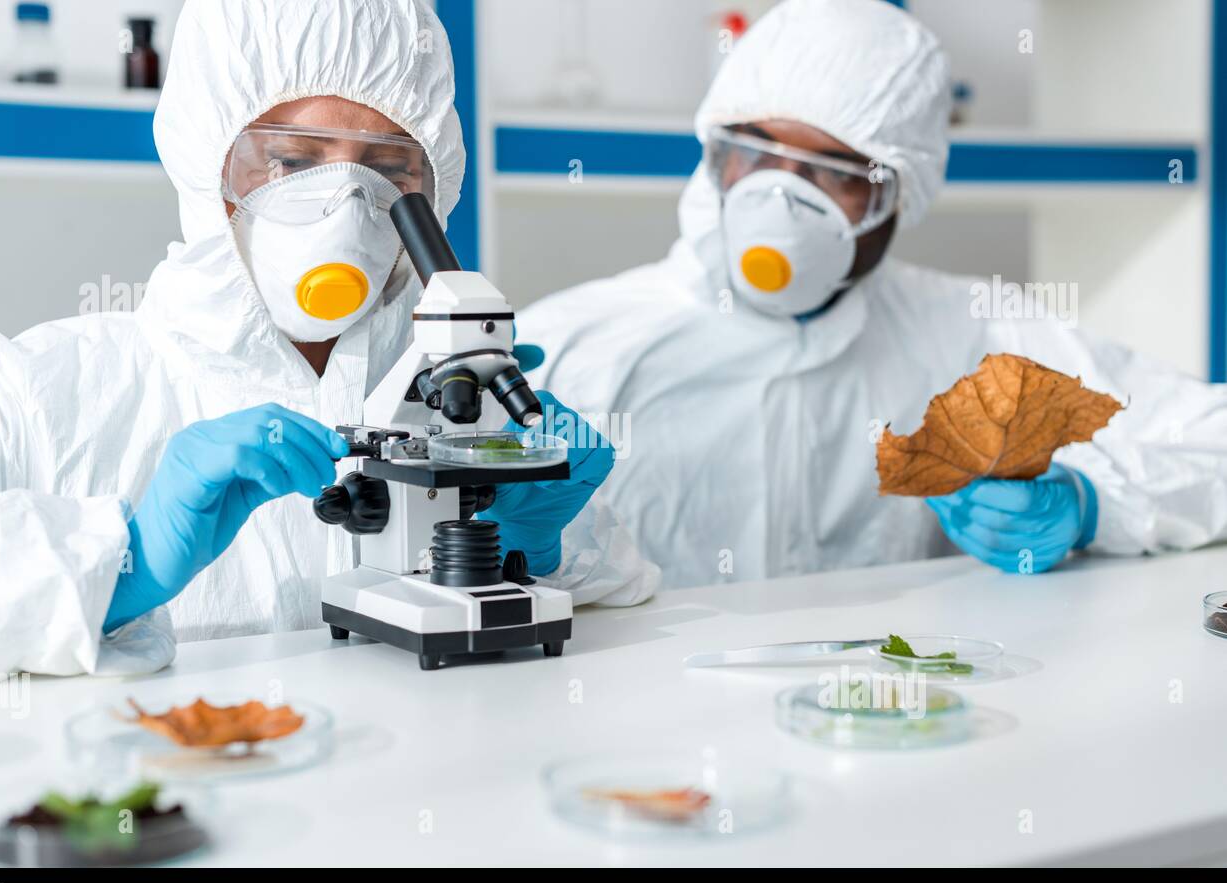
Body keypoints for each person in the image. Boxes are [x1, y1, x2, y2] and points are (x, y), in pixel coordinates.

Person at [0, 0, 658, 677]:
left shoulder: (455, 404)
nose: (344, 203)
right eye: (295, 161)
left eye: (383, 166)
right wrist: (121, 564)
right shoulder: (26, 393)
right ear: (209, 167)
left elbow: (629, 609)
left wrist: (533, 543)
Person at [519, 0, 1227, 589]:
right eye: (756, 154)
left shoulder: (971, 336)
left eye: (833, 173)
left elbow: (1208, 441)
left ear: (898, 197)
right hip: (658, 748)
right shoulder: (576, 345)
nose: (780, 201)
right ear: (715, 156)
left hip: (900, 735)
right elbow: (419, 547)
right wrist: (525, 549)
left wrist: (1095, 504)